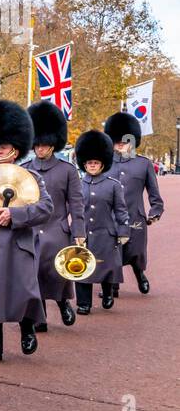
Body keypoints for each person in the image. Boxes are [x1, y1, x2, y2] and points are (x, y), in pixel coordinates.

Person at [0, 100, 54, 363]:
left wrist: (16, 215)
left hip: (18, 245)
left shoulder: (31, 176)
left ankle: (28, 328)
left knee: (24, 293)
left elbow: (45, 208)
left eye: (3, 145)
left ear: (16, 148)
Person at [26, 101, 84, 331]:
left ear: (53, 144)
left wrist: (79, 232)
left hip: (57, 228)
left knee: (57, 272)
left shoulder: (67, 170)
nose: (40, 149)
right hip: (31, 228)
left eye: (45, 145)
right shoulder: (25, 168)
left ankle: (62, 302)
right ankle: (39, 315)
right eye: (37, 144)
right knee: (33, 274)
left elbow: (77, 204)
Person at [104, 111, 164, 296]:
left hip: (135, 216)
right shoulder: (104, 164)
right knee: (112, 252)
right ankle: (112, 286)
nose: (121, 144)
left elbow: (155, 196)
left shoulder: (143, 164)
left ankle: (140, 275)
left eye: (124, 140)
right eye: (117, 140)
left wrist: (155, 212)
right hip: (109, 217)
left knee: (135, 253)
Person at [73, 130, 128, 314]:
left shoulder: (113, 184)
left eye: (96, 163)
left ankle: (108, 293)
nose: (92, 166)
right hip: (84, 233)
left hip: (106, 233)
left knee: (105, 267)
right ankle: (84, 303)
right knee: (81, 268)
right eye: (89, 163)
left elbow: (121, 210)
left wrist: (123, 231)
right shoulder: (78, 184)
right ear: (84, 164)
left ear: (102, 163)